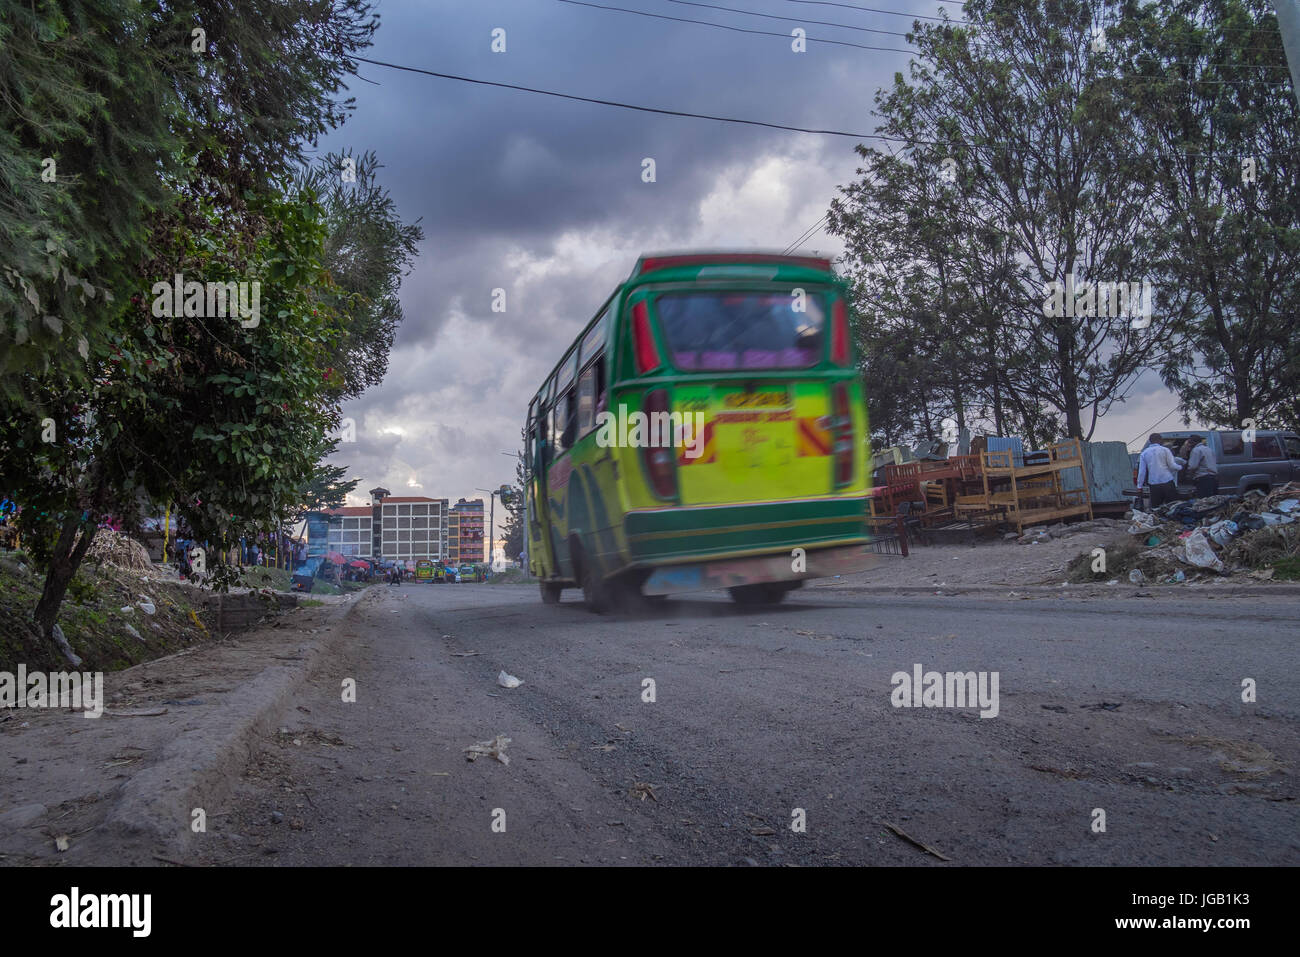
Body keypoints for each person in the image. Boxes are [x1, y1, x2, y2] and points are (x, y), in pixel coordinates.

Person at [1136, 433, 1185, 509]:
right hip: (1167, 481)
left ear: (1150, 441)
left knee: (1156, 508)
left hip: (1154, 484)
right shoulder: (1165, 450)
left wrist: (1139, 486)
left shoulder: (1144, 453)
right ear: (1160, 440)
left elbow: (1142, 471)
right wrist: (1181, 467)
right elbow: (1172, 466)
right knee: (1172, 506)